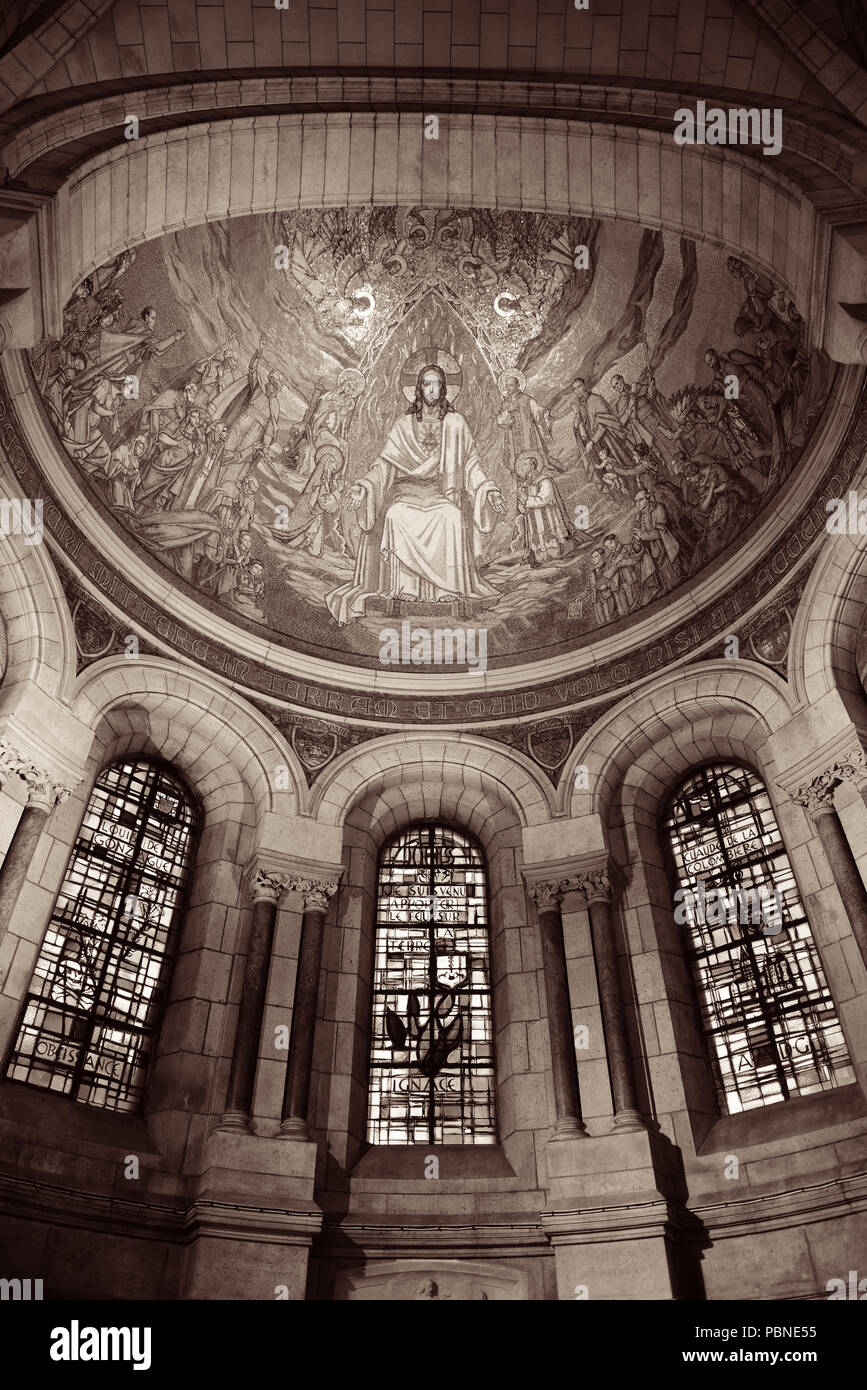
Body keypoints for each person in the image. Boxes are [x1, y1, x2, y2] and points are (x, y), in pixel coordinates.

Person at [326, 363, 506, 624]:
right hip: (407, 492)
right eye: (426, 384)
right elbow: (383, 465)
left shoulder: (455, 423)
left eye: (437, 384)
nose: (432, 389)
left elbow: (471, 464)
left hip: (439, 494)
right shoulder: (404, 424)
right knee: (396, 515)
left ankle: (446, 588)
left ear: (444, 389)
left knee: (452, 516)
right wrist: (363, 485)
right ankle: (406, 587)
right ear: (418, 389)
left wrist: (488, 490)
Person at [513, 450, 573, 565]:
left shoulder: (544, 480)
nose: (523, 467)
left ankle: (555, 556)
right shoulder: (525, 484)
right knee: (540, 549)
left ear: (533, 465)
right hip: (533, 520)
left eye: (525, 464)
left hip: (547, 517)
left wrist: (526, 499)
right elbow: (523, 504)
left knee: (551, 544)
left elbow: (544, 499)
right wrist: (521, 505)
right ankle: (541, 558)